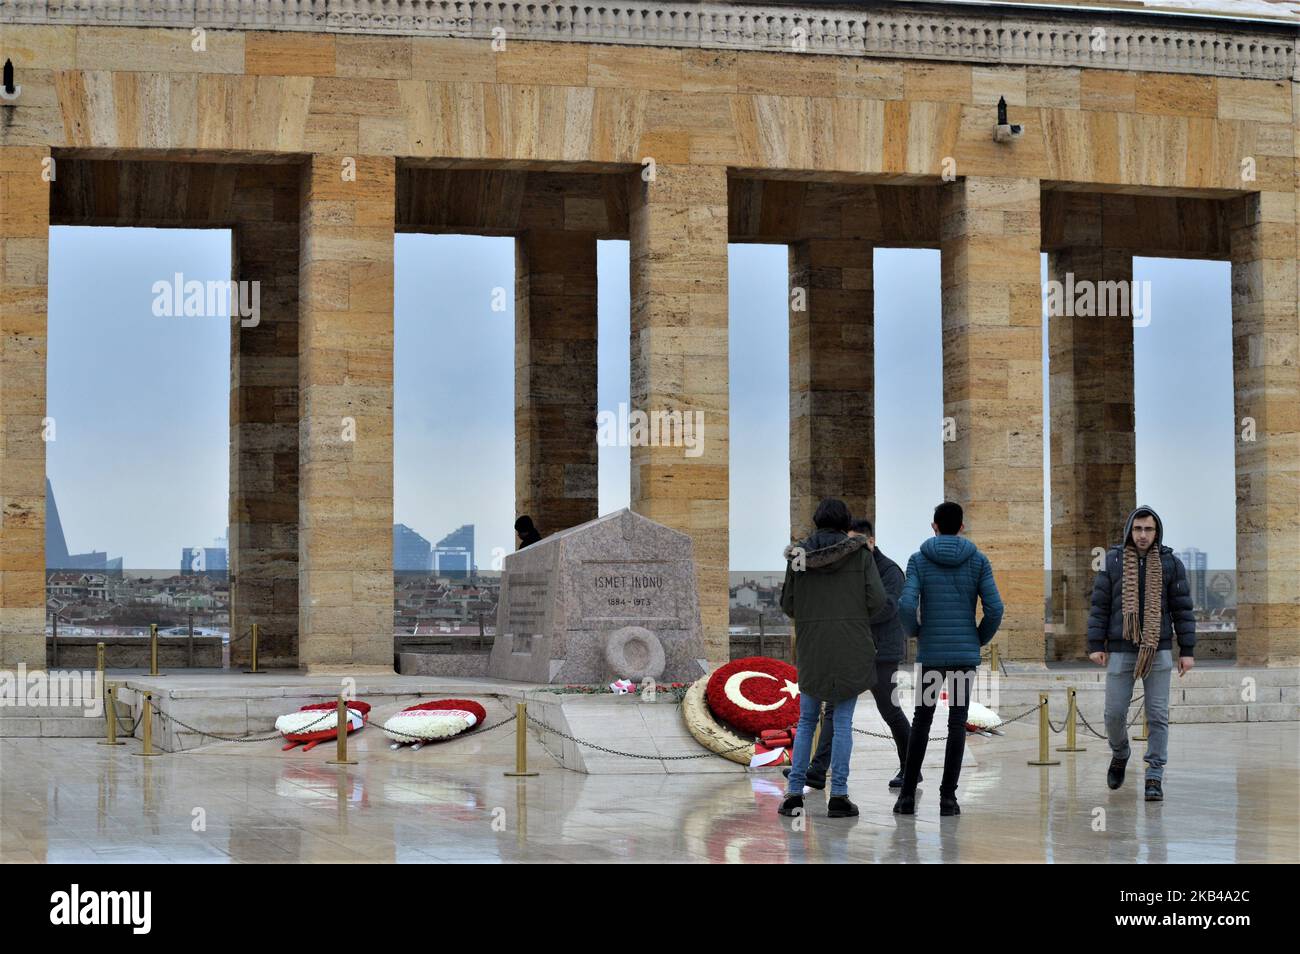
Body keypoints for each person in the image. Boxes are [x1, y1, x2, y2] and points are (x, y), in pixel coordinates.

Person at [783, 517, 915, 791]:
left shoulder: (890, 570)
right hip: (853, 649)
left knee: (890, 710)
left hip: (881, 652)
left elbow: (888, 607)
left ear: (871, 541)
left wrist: (849, 618)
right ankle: (818, 772)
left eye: (857, 541)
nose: (851, 547)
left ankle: (910, 768)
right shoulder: (854, 565)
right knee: (834, 710)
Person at [777, 499, 888, 819]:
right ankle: (838, 794)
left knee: (807, 721)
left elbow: (789, 604)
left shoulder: (797, 557)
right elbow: (877, 600)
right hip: (851, 646)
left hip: (813, 648)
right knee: (842, 722)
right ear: (844, 523)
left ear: (816, 521)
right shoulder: (861, 554)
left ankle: (794, 793)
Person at [895, 501, 1003, 817]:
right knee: (957, 723)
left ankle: (906, 797)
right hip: (962, 657)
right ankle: (948, 799)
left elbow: (905, 604)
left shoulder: (918, 560)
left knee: (922, 721)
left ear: (934, 526)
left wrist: (916, 632)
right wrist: (977, 639)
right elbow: (995, 608)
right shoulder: (979, 561)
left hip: (931, 656)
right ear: (962, 526)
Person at [1086, 505, 1196, 802]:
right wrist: (1096, 644)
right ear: (1129, 531)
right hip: (1121, 649)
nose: (1143, 535)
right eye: (1138, 529)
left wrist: (1186, 650)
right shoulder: (1112, 561)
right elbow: (1100, 605)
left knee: (1158, 715)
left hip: (1158, 649)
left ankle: (1154, 775)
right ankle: (1120, 753)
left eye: (1149, 529)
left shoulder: (1171, 563)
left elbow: (1182, 609)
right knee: (1114, 714)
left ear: (1156, 532)